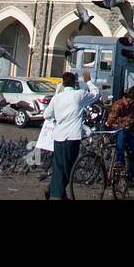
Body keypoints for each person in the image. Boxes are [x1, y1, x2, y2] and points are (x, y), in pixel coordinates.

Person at [42, 71, 99, 200]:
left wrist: (57, 115)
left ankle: (56, 191)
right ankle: (55, 193)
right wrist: (88, 81)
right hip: (72, 136)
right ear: (74, 83)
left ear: (63, 82)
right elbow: (96, 94)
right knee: (69, 167)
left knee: (59, 166)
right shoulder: (78, 95)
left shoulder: (57, 97)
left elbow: (46, 115)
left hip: (58, 136)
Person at [106, 86, 134, 184]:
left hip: (130, 132)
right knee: (122, 132)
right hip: (117, 132)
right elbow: (110, 121)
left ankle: (130, 175)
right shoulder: (118, 104)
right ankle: (119, 161)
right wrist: (125, 121)